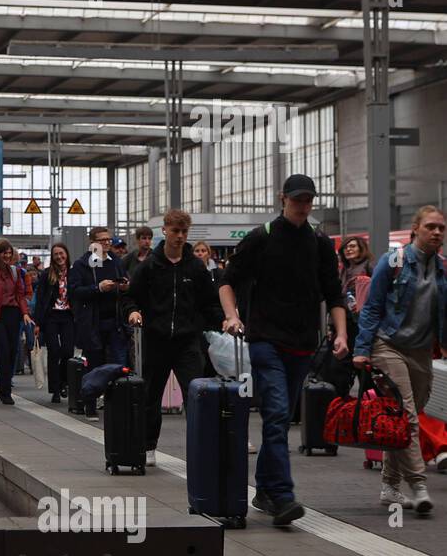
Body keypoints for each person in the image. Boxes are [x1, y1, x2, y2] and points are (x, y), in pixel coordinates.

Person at [220, 174, 347, 526]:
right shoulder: (262, 237)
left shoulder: (320, 244)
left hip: (303, 344)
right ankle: (283, 494)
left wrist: (341, 333)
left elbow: (334, 294)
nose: (303, 206)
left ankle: (263, 491)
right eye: (297, 200)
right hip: (265, 340)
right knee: (276, 414)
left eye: (308, 200)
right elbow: (227, 281)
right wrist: (232, 316)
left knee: (280, 418)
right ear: (282, 199)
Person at [352, 205, 446, 514]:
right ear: (416, 229)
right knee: (408, 416)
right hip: (388, 345)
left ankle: (390, 487)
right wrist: (362, 349)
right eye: (430, 226)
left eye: (441, 228)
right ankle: (418, 486)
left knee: (404, 419)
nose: (437, 232)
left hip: (421, 351)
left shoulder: (443, 268)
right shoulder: (393, 262)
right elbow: (373, 306)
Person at [122, 210, 223, 467]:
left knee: (196, 394)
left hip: (187, 342)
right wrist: (133, 311)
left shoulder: (196, 268)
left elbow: (210, 303)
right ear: (165, 230)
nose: (179, 236)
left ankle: (201, 448)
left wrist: (224, 319)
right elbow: (130, 297)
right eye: (175, 231)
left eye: (184, 232)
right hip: (155, 340)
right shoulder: (150, 267)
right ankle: (148, 446)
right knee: (150, 396)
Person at [69, 225, 129, 418]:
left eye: (108, 240)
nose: (106, 243)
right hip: (92, 322)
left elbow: (126, 283)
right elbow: (75, 292)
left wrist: (124, 286)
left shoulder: (116, 262)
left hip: (115, 321)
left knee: (119, 363)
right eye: (102, 240)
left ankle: (118, 405)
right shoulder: (82, 265)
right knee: (94, 364)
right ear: (93, 242)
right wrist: (98, 288)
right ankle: (90, 403)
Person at [0, 239, 32, 405]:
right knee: (4, 351)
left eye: (10, 253)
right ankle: (5, 390)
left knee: (13, 352)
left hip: (14, 314)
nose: (7, 256)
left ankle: (6, 383)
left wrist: (25, 312)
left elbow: (20, 294)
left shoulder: (16, 272)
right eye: (5, 253)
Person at [32, 242, 75, 405]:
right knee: (54, 351)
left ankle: (65, 382)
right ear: (52, 257)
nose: (59, 257)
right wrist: (38, 323)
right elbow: (41, 299)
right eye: (56, 254)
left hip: (68, 316)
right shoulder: (46, 275)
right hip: (51, 316)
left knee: (68, 351)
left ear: (66, 254)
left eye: (61, 253)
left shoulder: (73, 273)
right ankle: (55, 390)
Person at [340, 235, 374, 301]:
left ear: (361, 248)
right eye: (345, 247)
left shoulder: (369, 265)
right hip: (346, 307)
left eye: (352, 246)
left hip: (364, 307)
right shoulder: (344, 268)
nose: (348, 249)